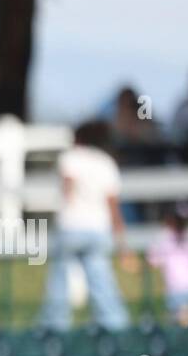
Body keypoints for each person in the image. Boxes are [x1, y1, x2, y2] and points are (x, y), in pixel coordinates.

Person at [39, 121, 131, 332]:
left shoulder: (71, 158)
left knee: (60, 280)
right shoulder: (107, 163)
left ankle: (55, 330)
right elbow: (113, 207)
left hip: (71, 226)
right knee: (101, 281)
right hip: (98, 229)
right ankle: (116, 327)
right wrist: (122, 243)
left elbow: (68, 188)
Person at [145, 202, 188, 327]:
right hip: (181, 288)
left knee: (180, 323)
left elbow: (152, 261)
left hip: (179, 288)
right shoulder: (168, 237)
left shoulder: (164, 237)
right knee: (179, 321)